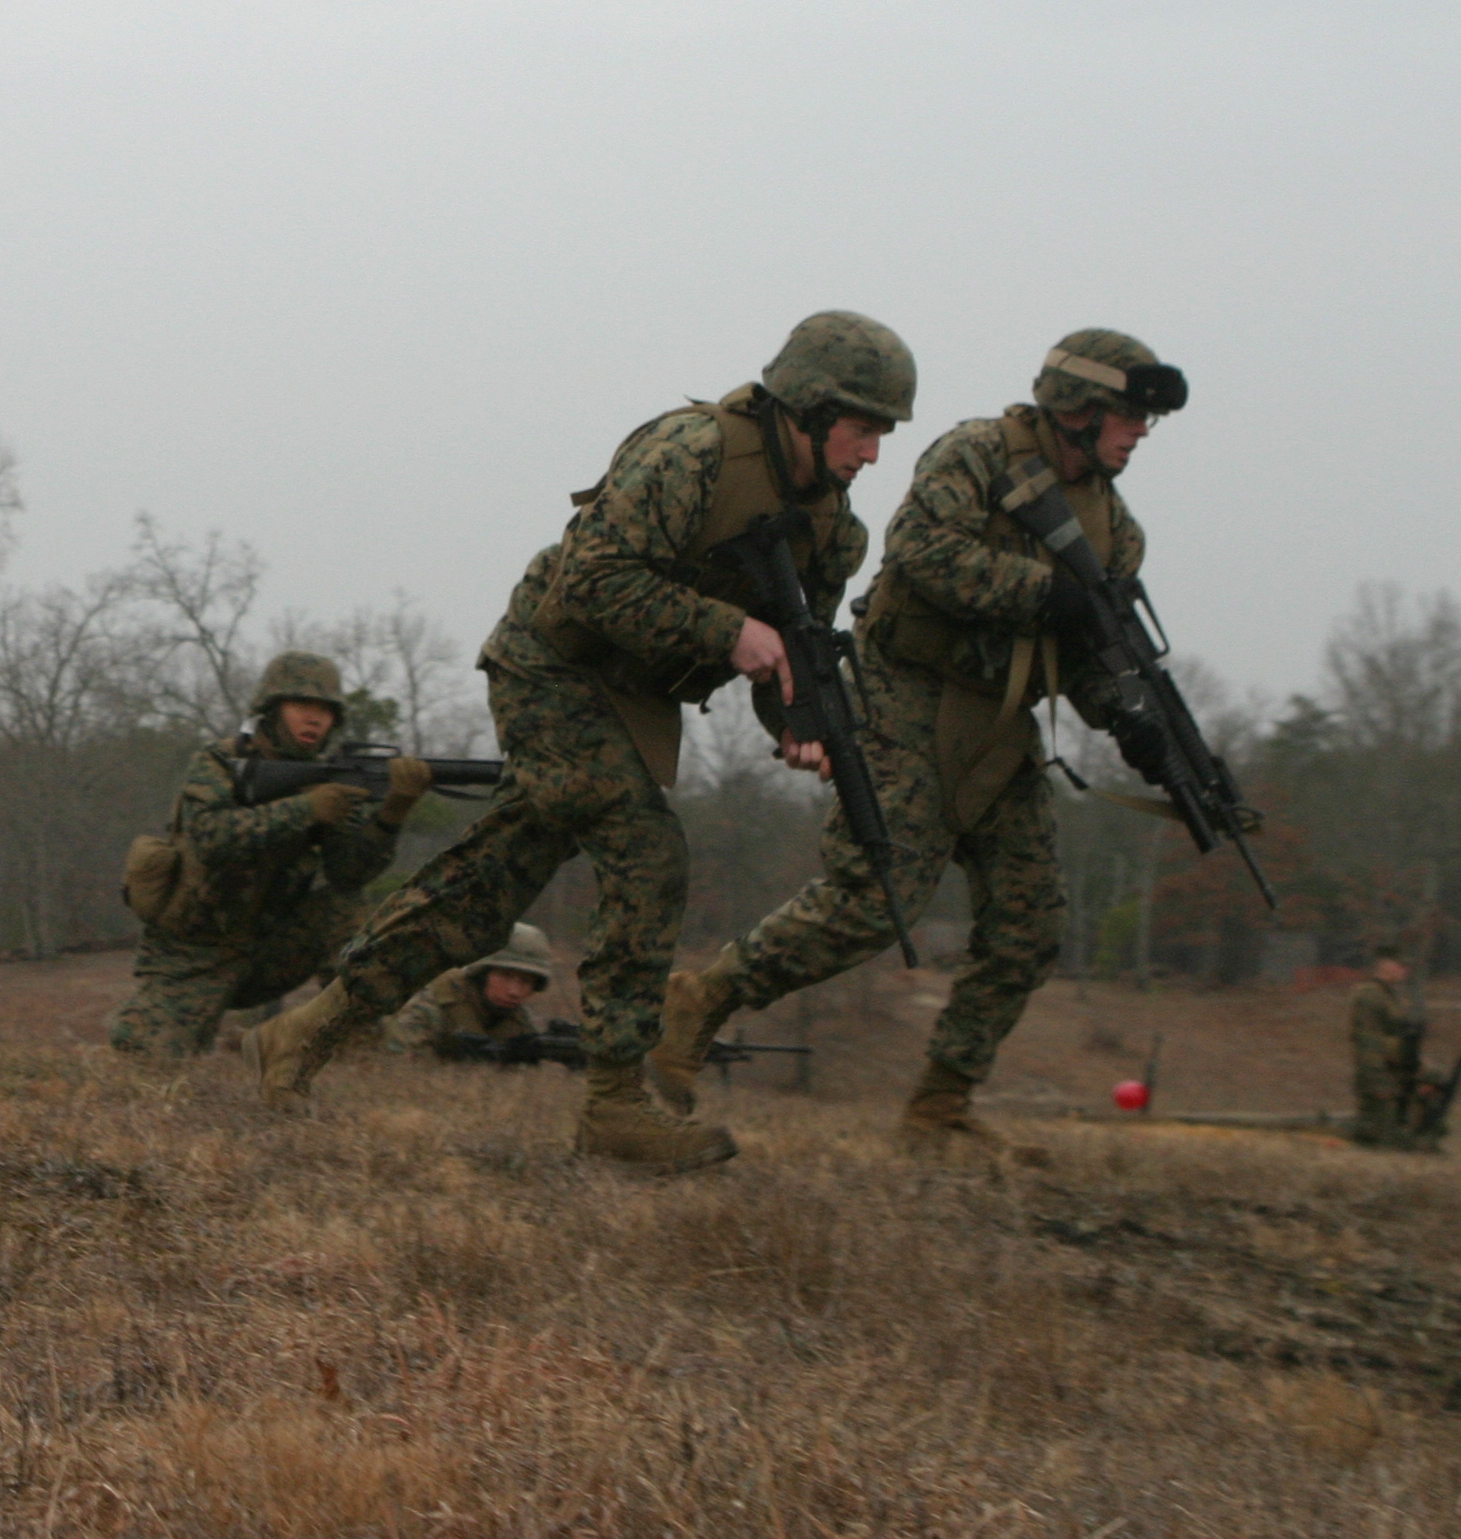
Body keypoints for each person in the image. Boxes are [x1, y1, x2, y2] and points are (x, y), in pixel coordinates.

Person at [247, 313, 912, 1171]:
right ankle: (614, 1103)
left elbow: (789, 658)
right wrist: (724, 630)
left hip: (634, 696)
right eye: (863, 430)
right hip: (552, 665)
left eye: (882, 435)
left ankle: (305, 1031)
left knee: (490, 885)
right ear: (810, 409)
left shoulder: (835, 529)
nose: (871, 454)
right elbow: (589, 580)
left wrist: (804, 729)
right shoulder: (692, 453)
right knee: (647, 850)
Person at [655, 329, 1188, 1164]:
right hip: (904, 692)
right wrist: (1044, 590)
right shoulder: (977, 455)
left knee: (1030, 924)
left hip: (998, 722)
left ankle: (939, 1109)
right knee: (874, 898)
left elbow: (1083, 650)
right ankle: (699, 1001)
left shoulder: (1116, 531)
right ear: (1076, 411)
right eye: (1127, 414)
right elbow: (922, 555)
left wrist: (1133, 724)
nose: (1140, 433)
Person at [104, 652, 430, 1057]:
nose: (315, 719)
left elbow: (349, 873)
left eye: (325, 711)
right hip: (193, 955)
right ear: (271, 710)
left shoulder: (334, 781)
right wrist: (305, 810)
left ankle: (360, 1047)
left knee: (347, 908)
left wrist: (392, 814)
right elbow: (210, 836)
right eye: (302, 706)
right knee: (145, 1056)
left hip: (269, 951)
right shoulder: (220, 762)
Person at [383, 923, 555, 1058]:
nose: (514, 991)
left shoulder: (520, 1023)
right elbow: (402, 1069)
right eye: (505, 976)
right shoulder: (428, 1008)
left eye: (526, 981)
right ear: (481, 974)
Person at [1348, 948, 1450, 1151]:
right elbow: (1368, 1042)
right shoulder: (1370, 996)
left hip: (1396, 1076)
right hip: (1381, 1079)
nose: (1406, 970)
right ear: (1385, 965)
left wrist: (1421, 1068)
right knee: (1383, 1141)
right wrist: (1380, 1082)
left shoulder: (1388, 996)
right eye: (1401, 965)